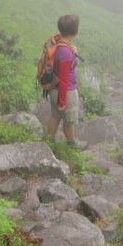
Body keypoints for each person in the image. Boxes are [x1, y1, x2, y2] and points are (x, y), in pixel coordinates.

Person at [47, 14, 82, 147]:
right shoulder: (65, 52)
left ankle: (49, 140)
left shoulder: (58, 42)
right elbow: (63, 78)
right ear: (75, 31)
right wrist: (62, 101)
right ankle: (72, 143)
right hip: (65, 90)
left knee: (55, 115)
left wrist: (72, 51)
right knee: (69, 120)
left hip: (54, 88)